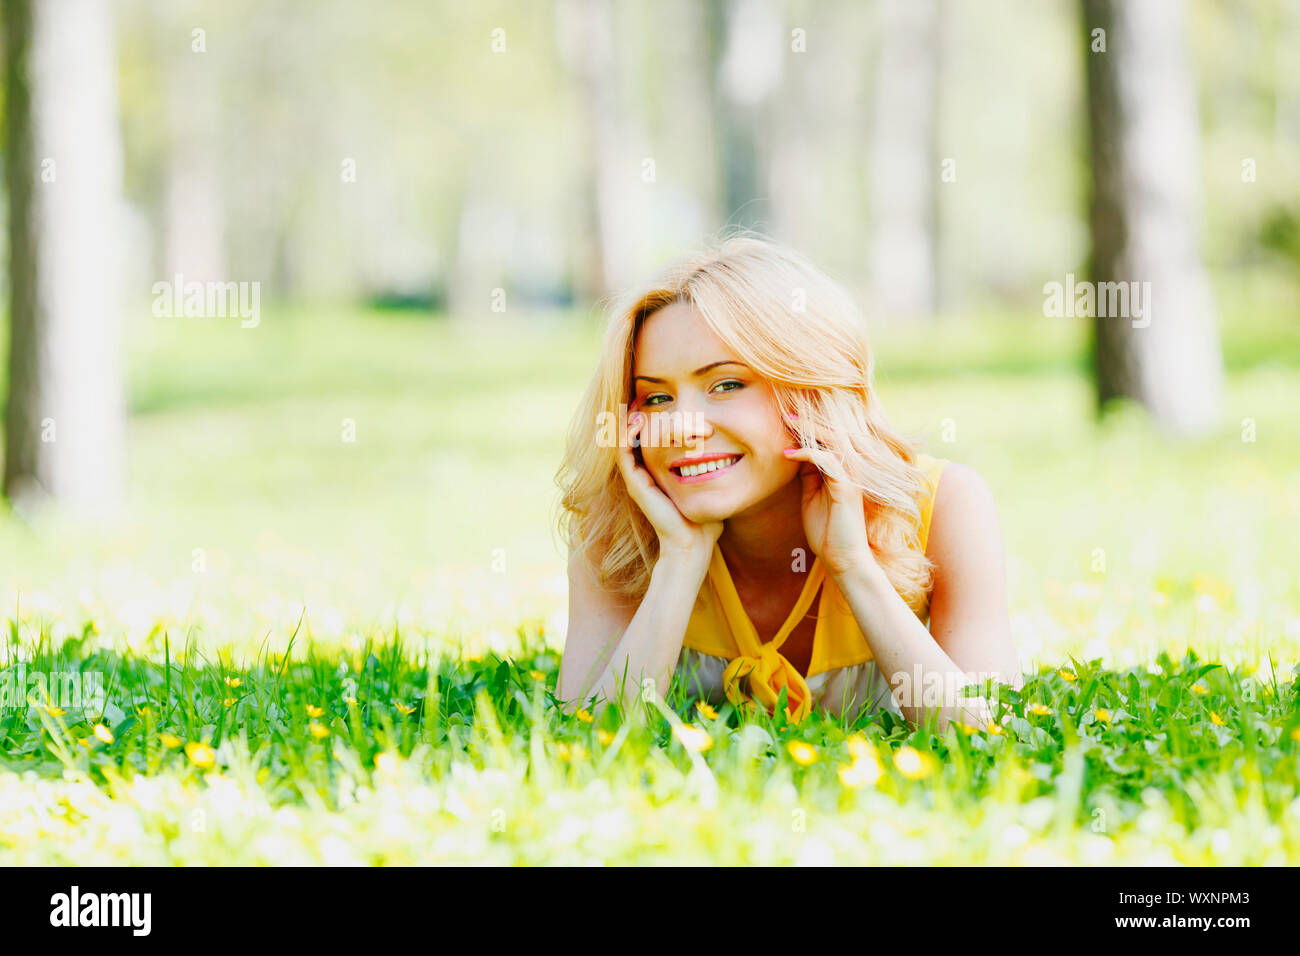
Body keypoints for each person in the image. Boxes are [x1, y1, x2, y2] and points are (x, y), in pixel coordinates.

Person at [555, 234, 1022, 732]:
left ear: (809, 392)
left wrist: (852, 566)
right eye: (655, 398)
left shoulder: (944, 506)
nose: (681, 427)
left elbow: (986, 733)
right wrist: (680, 559)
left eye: (726, 385)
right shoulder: (618, 525)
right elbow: (586, 741)